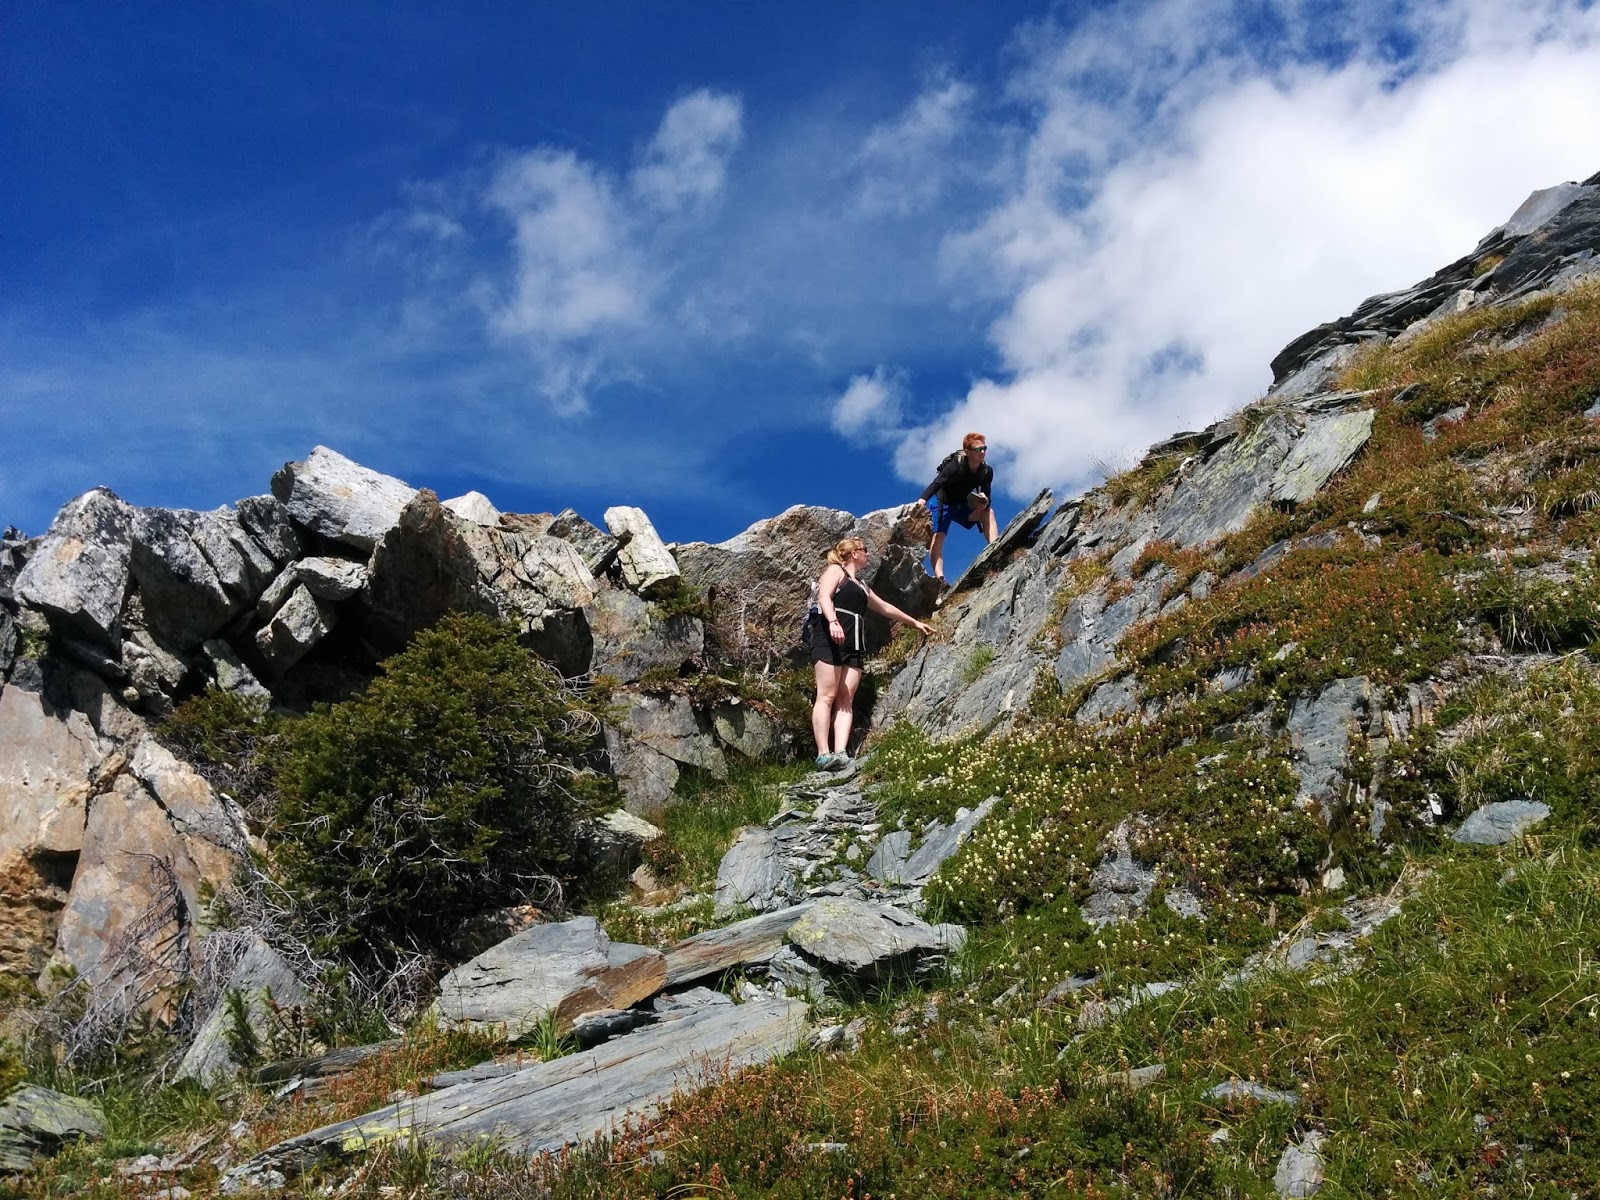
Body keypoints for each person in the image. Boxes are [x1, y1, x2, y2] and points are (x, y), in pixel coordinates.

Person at [808, 536, 934, 770]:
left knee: (846, 699)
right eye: (865, 550)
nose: (868, 554)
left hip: (853, 641)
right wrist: (833, 621)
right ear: (854, 553)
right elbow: (824, 596)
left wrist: (914, 623)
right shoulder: (835, 571)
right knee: (827, 695)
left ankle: (841, 753)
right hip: (828, 636)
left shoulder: (862, 585)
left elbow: (885, 607)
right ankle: (823, 754)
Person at [918, 432, 998, 583]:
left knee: (988, 512)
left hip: (962, 505)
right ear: (967, 452)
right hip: (943, 502)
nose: (982, 452)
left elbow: (987, 494)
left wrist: (984, 502)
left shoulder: (986, 471)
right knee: (938, 537)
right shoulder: (956, 465)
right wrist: (922, 501)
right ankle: (939, 578)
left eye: (984, 448)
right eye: (977, 450)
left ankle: (995, 548)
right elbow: (937, 483)